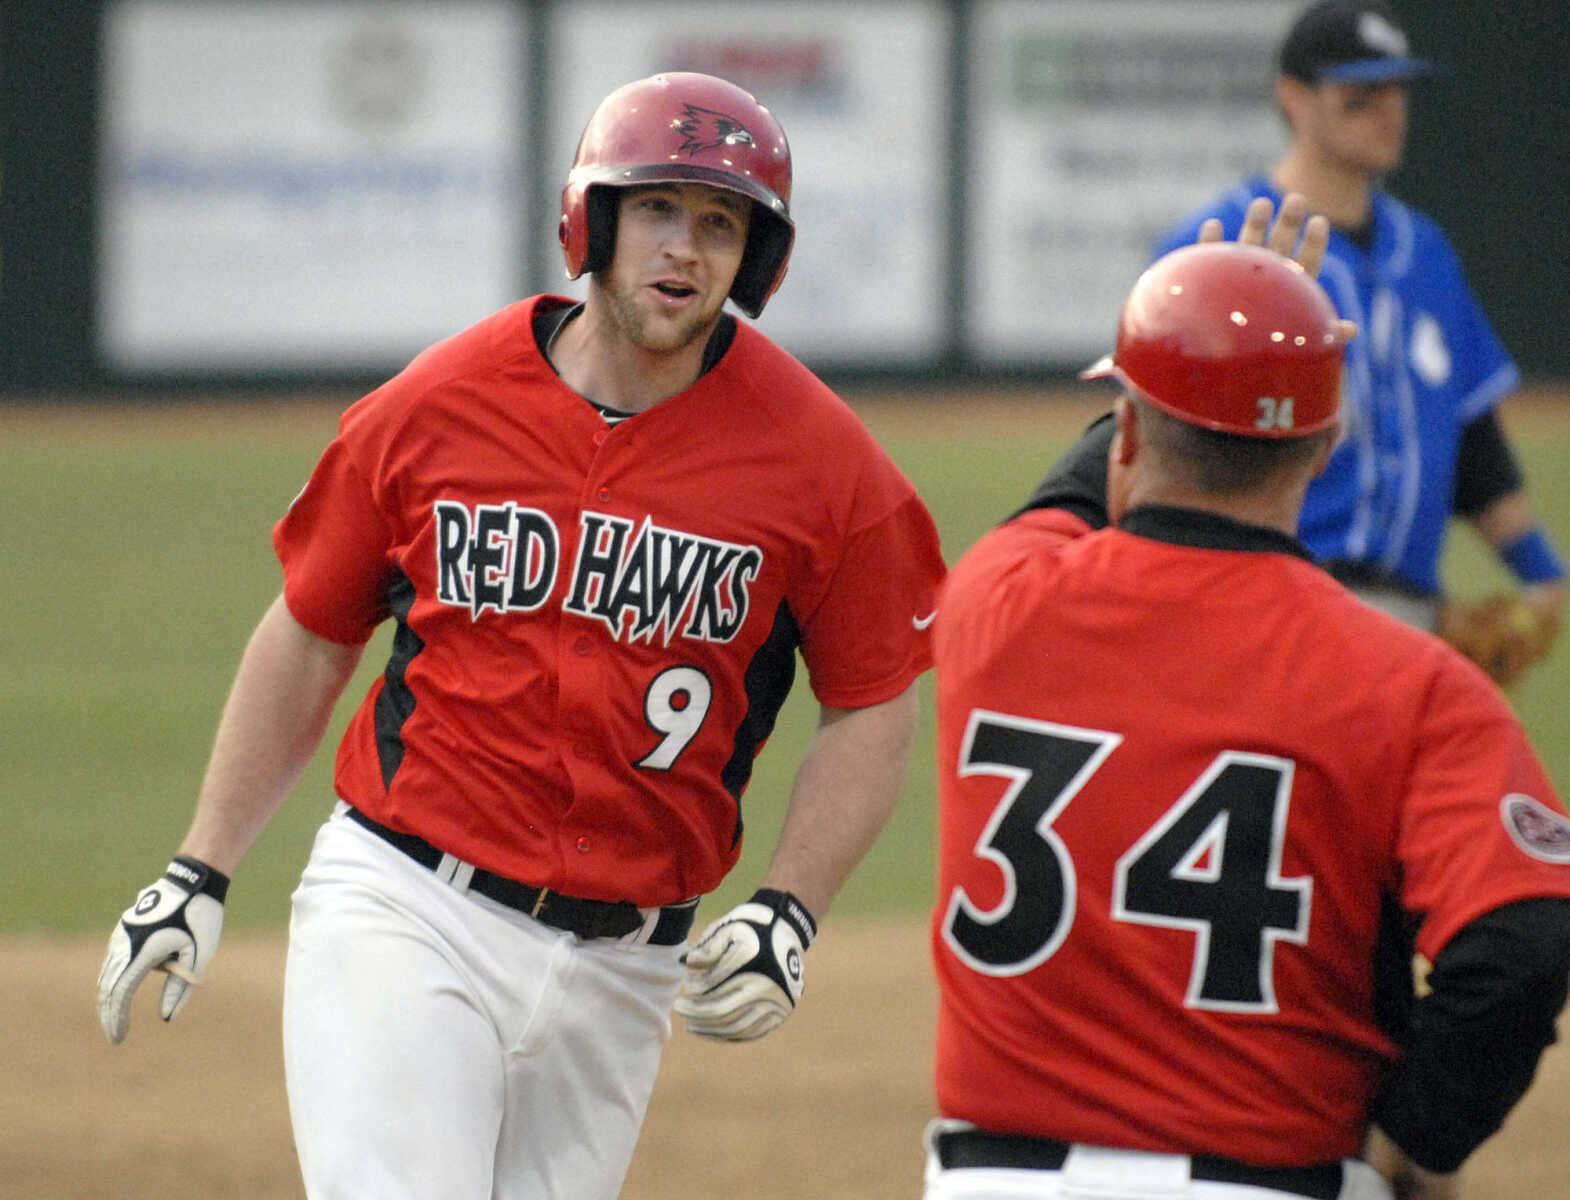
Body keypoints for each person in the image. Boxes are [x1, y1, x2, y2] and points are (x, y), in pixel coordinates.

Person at [96, 71, 946, 1200]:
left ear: (758, 255)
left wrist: (791, 904)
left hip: (629, 967)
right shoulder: (435, 404)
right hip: (409, 905)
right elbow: (309, 633)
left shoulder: (828, 467)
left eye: (719, 220)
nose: (683, 248)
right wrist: (199, 866)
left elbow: (873, 698)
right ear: (589, 218)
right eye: (655, 208)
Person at [925, 225, 1570, 1199]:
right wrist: (1420, 1138)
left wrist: (1200, 363)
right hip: (1266, 1180)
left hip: (990, 1183)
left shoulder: (991, 600)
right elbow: (1523, 943)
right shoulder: (1409, 683)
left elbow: (1073, 491)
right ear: (1320, 453)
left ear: (1131, 428)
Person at [1152, 0, 1564, 687]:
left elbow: (1469, 435)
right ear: (1294, 98)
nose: (1388, 112)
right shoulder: (1222, 241)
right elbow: (1160, 438)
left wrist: (1542, 573)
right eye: (1360, 96)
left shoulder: (1425, 251)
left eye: (1398, 90)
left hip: (1409, 613)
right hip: (1269, 603)